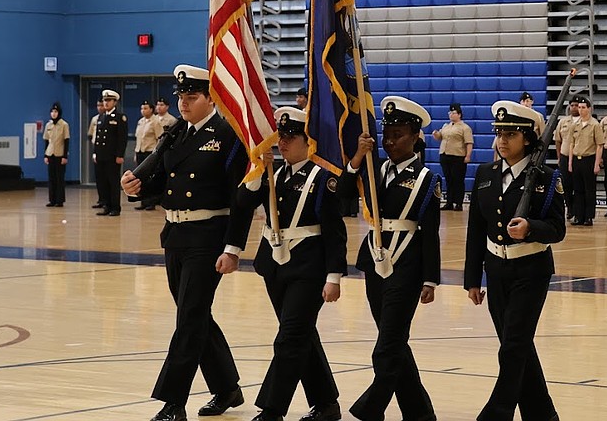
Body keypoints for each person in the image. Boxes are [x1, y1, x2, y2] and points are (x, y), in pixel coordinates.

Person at [120, 65, 250, 421]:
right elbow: (161, 177)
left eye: (191, 97)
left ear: (211, 98)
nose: (184, 102)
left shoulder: (228, 135)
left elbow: (240, 199)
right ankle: (227, 388)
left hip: (209, 238)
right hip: (176, 236)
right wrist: (137, 185)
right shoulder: (177, 132)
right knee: (196, 315)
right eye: (181, 96)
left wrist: (233, 248)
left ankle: (173, 401)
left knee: (189, 318)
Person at [236, 107, 347, 421]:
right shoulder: (274, 173)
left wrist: (334, 275)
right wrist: (258, 171)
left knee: (288, 339)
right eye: (280, 136)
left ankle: (272, 409)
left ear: (307, 140)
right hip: (275, 265)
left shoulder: (323, 178)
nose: (282, 142)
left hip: (309, 269)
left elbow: (335, 233)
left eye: (290, 137)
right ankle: (326, 403)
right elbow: (242, 203)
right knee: (301, 335)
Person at [339, 95, 440, 421]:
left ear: (415, 136)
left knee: (387, 345)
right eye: (388, 134)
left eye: (398, 135)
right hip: (374, 261)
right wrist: (357, 158)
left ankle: (371, 409)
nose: (390, 141)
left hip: (407, 265)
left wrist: (430, 278)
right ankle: (420, 413)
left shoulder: (427, 179)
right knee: (394, 342)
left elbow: (430, 232)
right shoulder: (373, 168)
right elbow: (340, 195)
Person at [465, 100, 564, 421]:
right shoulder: (485, 173)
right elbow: (476, 230)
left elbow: (557, 229)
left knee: (512, 347)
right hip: (496, 270)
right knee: (516, 345)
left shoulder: (546, 178)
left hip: (531, 270)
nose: (502, 140)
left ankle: (497, 413)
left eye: (511, 134)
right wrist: (471, 279)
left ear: (528, 138)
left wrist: (531, 228)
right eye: (499, 133)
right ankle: (542, 414)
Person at [568, 97, 603, 226]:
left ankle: (589, 216)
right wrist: (570, 162)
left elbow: (599, 145)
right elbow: (572, 144)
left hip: (589, 159)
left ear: (589, 109)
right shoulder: (575, 125)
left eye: (583, 107)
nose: (581, 110)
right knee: (577, 190)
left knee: (589, 190)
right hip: (577, 159)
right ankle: (578, 216)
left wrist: (597, 164)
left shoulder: (595, 124)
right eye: (579, 107)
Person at [93, 89, 127, 217]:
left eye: (108, 100)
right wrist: (95, 153)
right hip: (101, 155)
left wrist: (120, 155)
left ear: (115, 102)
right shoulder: (101, 117)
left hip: (112, 156)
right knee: (102, 182)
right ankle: (106, 205)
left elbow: (122, 138)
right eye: (104, 100)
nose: (106, 103)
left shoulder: (119, 117)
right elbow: (98, 137)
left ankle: (115, 207)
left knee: (113, 182)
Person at [433, 102, 473, 211]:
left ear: (459, 114)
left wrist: (468, 156)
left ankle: (458, 203)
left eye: (453, 113)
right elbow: (440, 137)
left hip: (458, 156)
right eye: (450, 112)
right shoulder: (446, 126)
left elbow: (469, 142)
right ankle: (449, 202)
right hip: (445, 155)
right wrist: (436, 134)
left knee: (458, 180)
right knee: (449, 179)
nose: (451, 115)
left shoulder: (465, 128)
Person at [134, 100, 164, 210]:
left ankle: (151, 202)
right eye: (142, 108)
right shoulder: (141, 121)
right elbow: (138, 139)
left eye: (145, 108)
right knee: (140, 178)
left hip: (150, 153)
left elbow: (159, 138)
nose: (143, 111)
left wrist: (158, 155)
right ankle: (143, 202)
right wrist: (135, 153)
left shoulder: (155, 121)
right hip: (140, 152)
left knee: (150, 178)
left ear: (151, 109)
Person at [43, 102, 70, 207]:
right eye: (52, 112)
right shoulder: (48, 125)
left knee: (60, 178)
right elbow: (46, 140)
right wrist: (45, 155)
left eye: (56, 112)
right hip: (50, 153)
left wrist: (65, 156)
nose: (54, 114)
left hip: (60, 154)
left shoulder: (64, 124)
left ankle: (60, 200)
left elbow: (66, 140)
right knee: (51, 178)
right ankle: (52, 200)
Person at [89, 98, 105, 209]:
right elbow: (91, 134)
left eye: (101, 105)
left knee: (106, 178)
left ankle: (107, 200)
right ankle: (101, 199)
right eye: (98, 105)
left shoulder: (109, 118)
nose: (100, 107)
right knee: (99, 177)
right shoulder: (95, 119)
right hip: (97, 149)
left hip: (107, 151)